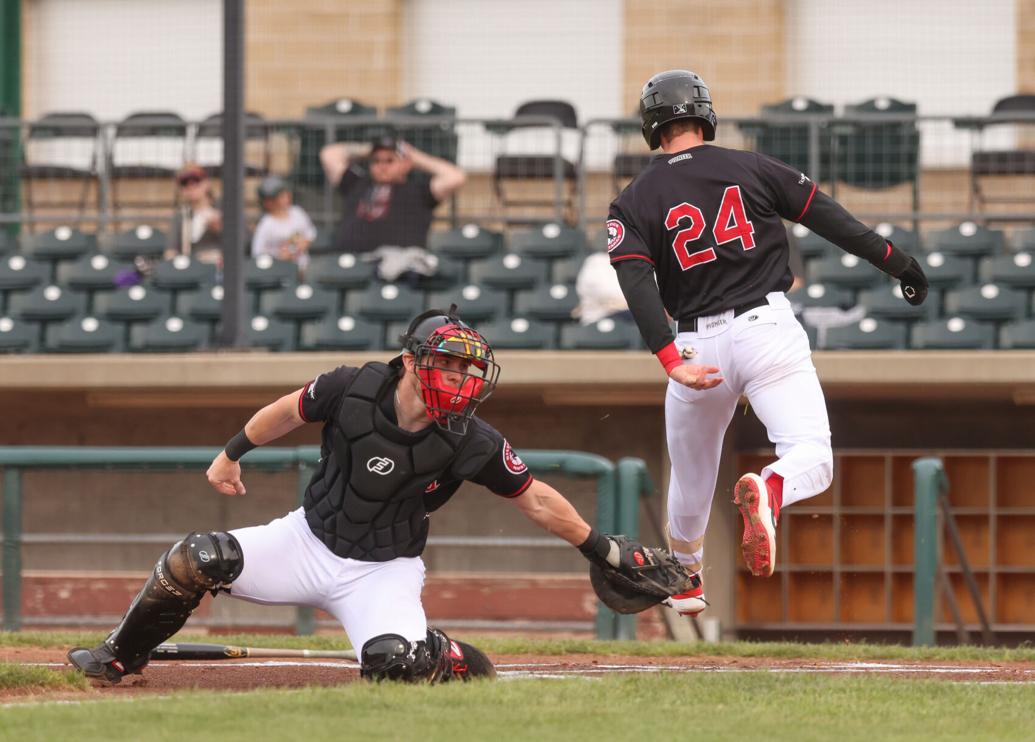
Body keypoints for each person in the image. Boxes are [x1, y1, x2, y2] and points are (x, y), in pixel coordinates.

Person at [67, 305, 663, 684]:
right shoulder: (351, 387)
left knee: (392, 665)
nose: (461, 380)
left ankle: (443, 655)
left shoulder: (472, 438)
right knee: (197, 557)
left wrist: (600, 548)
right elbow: (287, 410)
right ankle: (121, 653)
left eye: (468, 371)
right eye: (449, 365)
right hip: (306, 542)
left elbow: (535, 499)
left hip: (383, 570)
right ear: (411, 361)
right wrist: (231, 452)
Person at [606, 70, 929, 618]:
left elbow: (636, 284)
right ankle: (772, 489)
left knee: (691, 479)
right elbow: (831, 219)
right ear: (704, 113)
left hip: (694, 346)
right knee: (812, 456)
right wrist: (896, 262)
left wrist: (669, 360)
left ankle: (685, 577)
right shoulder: (750, 165)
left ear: (651, 126)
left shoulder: (631, 200)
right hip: (765, 327)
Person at [318, 135, 465, 256]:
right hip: (350, 262)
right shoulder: (358, 184)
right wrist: (370, 148)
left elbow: (456, 177)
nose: (382, 166)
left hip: (398, 268)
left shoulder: (419, 190)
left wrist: (414, 156)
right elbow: (329, 154)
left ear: (406, 164)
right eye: (376, 161)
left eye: (390, 160)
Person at [250, 175, 317, 276]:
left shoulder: (297, 213)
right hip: (278, 273)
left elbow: (310, 233)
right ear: (268, 202)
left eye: (286, 194)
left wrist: (304, 243)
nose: (286, 197)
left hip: (303, 269)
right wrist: (279, 258)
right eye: (280, 196)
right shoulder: (266, 224)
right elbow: (257, 253)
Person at [166, 163, 223, 265]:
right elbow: (171, 251)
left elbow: (244, 242)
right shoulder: (181, 216)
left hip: (219, 266)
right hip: (191, 267)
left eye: (196, 181)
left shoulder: (224, 208)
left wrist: (221, 229)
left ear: (206, 183)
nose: (191, 187)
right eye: (185, 184)